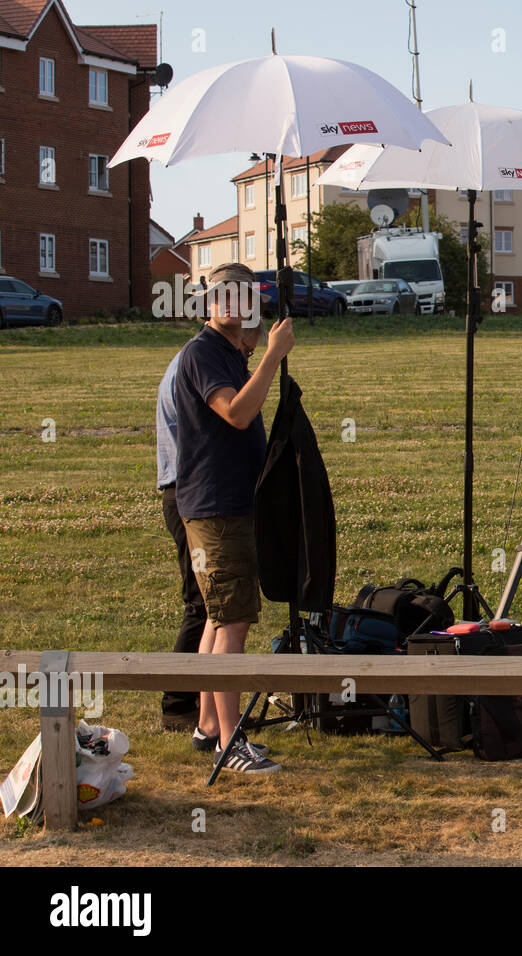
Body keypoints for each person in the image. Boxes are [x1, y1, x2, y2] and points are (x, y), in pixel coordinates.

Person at [174, 261, 293, 774]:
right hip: (218, 509)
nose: (234, 303)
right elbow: (237, 413)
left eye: (245, 296)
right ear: (208, 301)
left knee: (217, 619)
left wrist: (252, 348)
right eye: (223, 294)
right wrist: (271, 356)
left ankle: (207, 726)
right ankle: (230, 744)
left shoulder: (225, 352)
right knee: (234, 623)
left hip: (224, 504)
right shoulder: (203, 354)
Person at [156, 319, 263, 731]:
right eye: (249, 346)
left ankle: (206, 720)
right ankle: (182, 706)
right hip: (195, 495)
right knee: (206, 607)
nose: (247, 354)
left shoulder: (198, 359)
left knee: (211, 611)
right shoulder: (202, 361)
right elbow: (228, 420)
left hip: (190, 492)